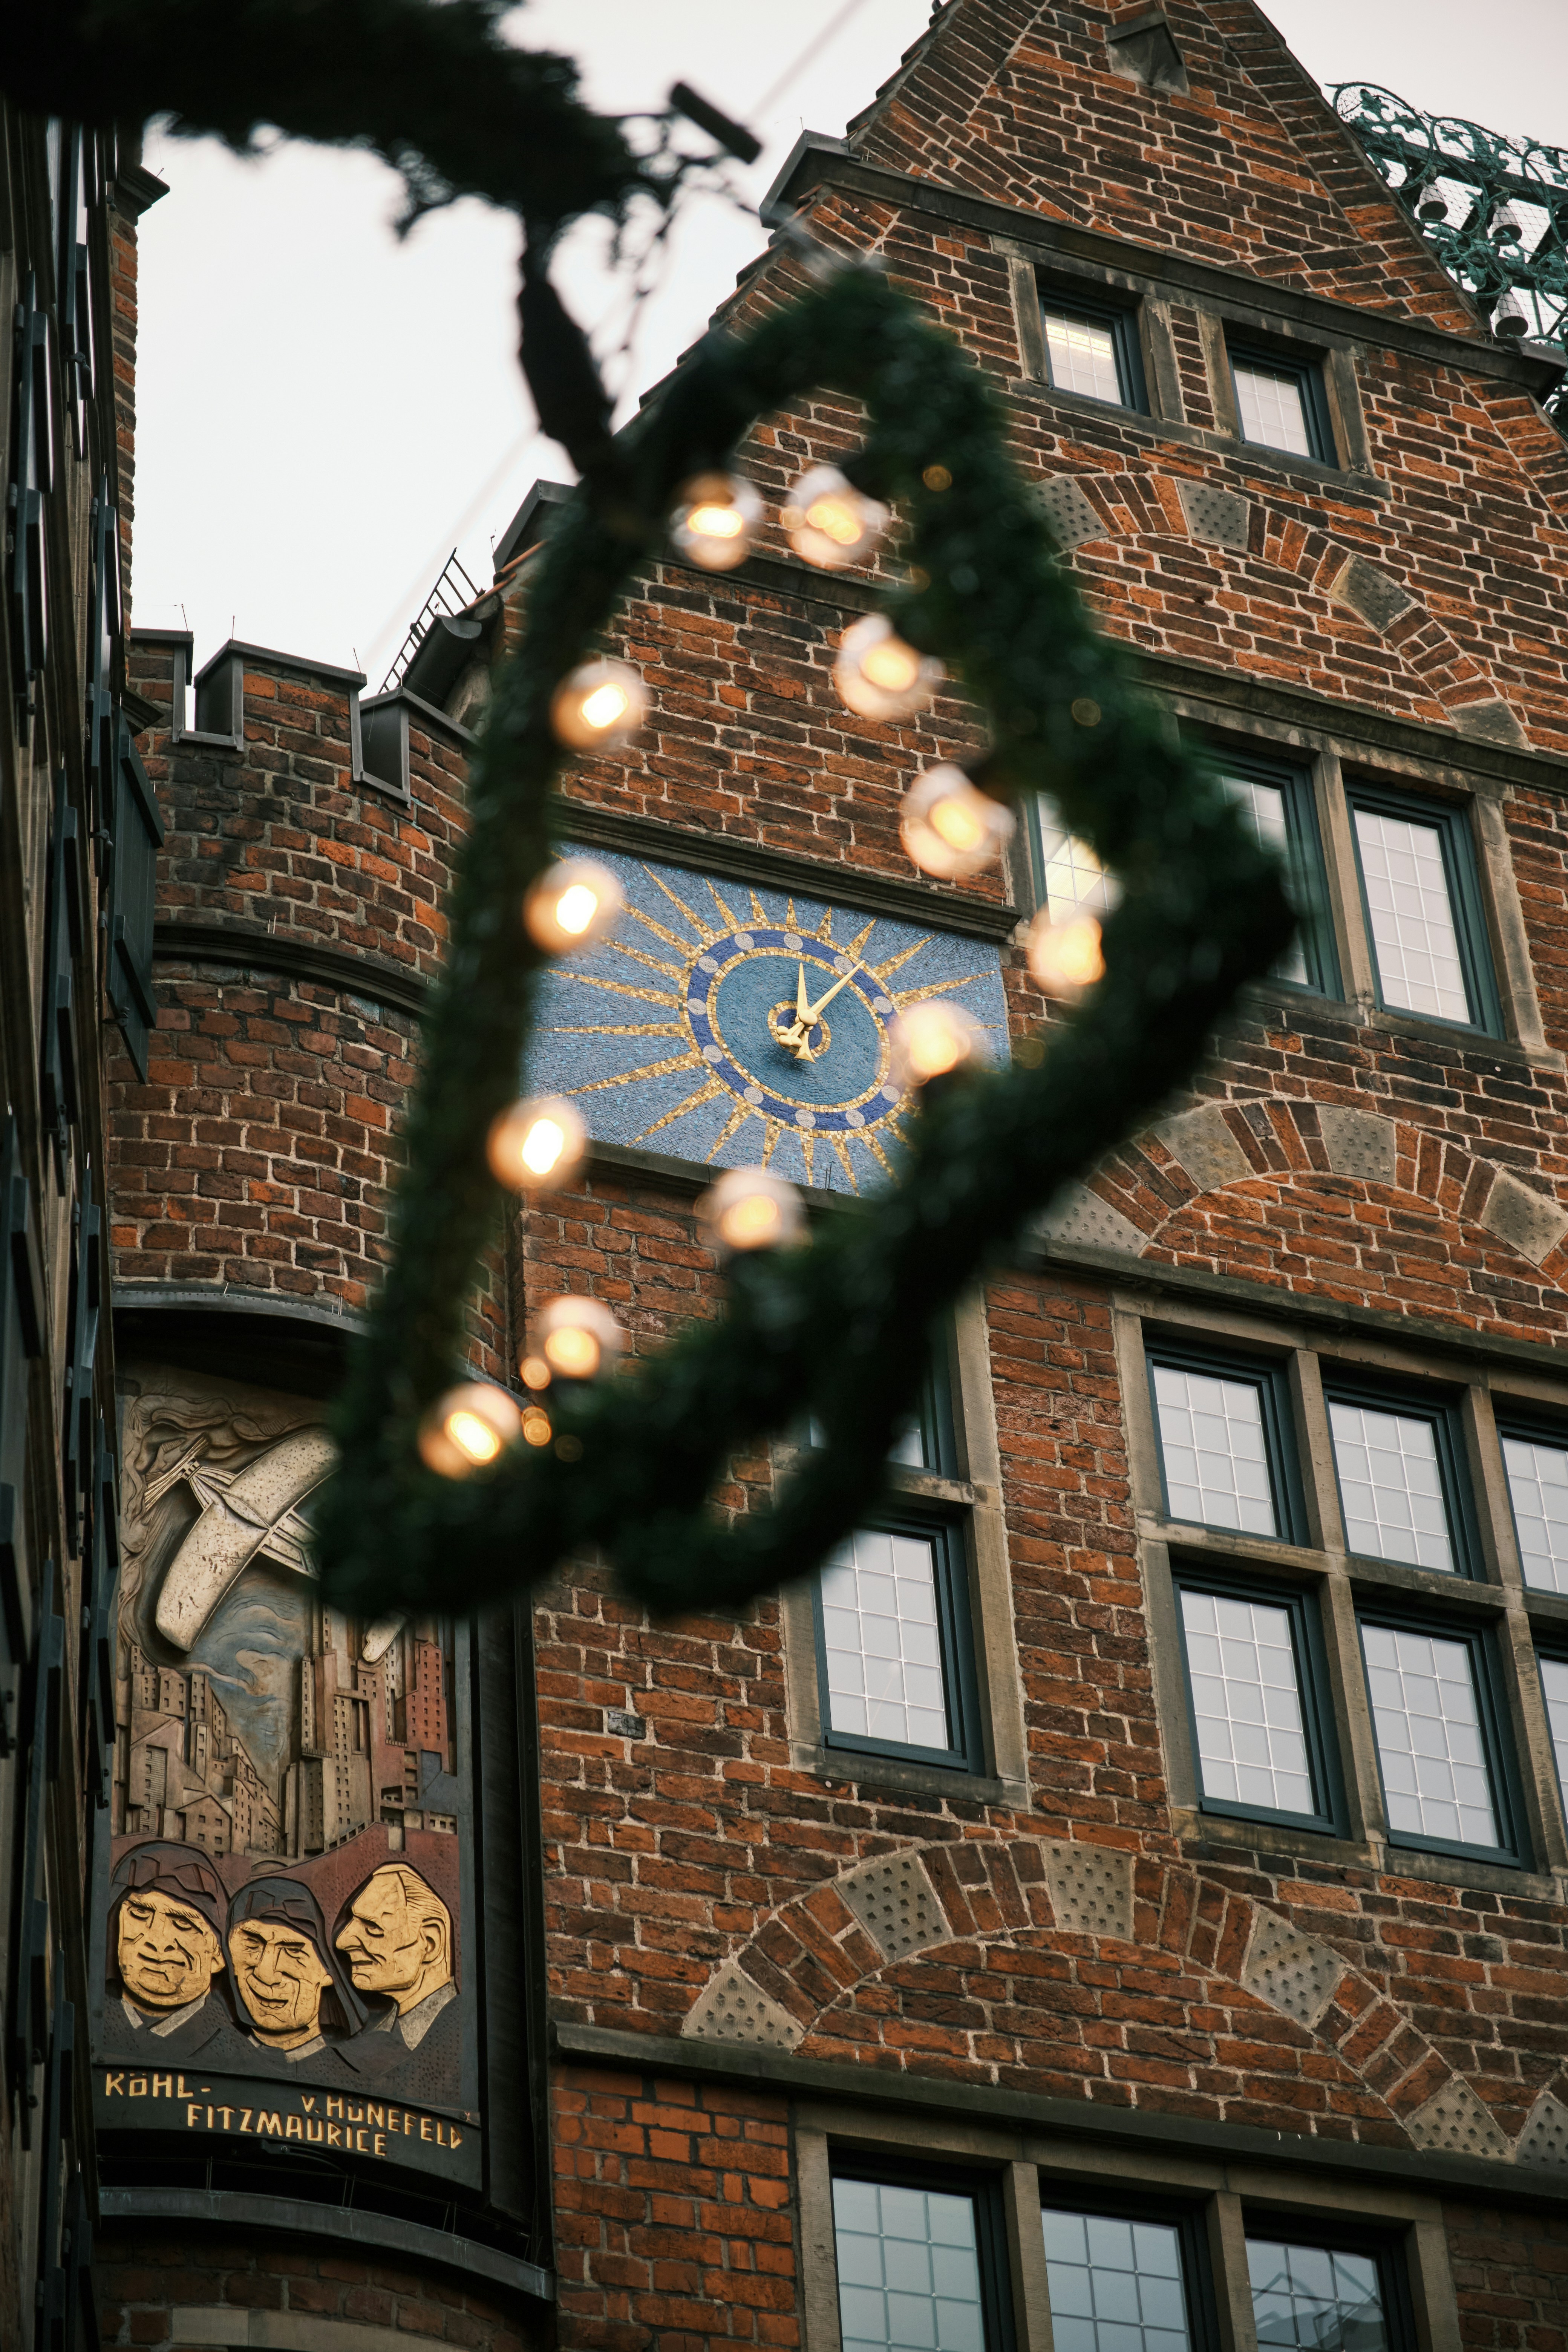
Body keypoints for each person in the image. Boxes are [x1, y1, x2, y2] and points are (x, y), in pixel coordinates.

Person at [101, 1842, 248, 2061]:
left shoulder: (238, 2057)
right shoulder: (87, 2024)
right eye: (140, 1912)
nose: (158, 1942)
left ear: (218, 1954)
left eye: (182, 1923)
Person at [335, 1862, 461, 2095]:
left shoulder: (465, 2041)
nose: (343, 1941)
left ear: (430, 1943)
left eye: (372, 1927)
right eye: (352, 1923)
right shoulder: (369, 2038)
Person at [225, 1877, 365, 2075]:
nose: (266, 1975)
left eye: (292, 1951)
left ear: (329, 1969)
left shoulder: (363, 2070)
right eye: (252, 1943)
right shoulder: (209, 2053)